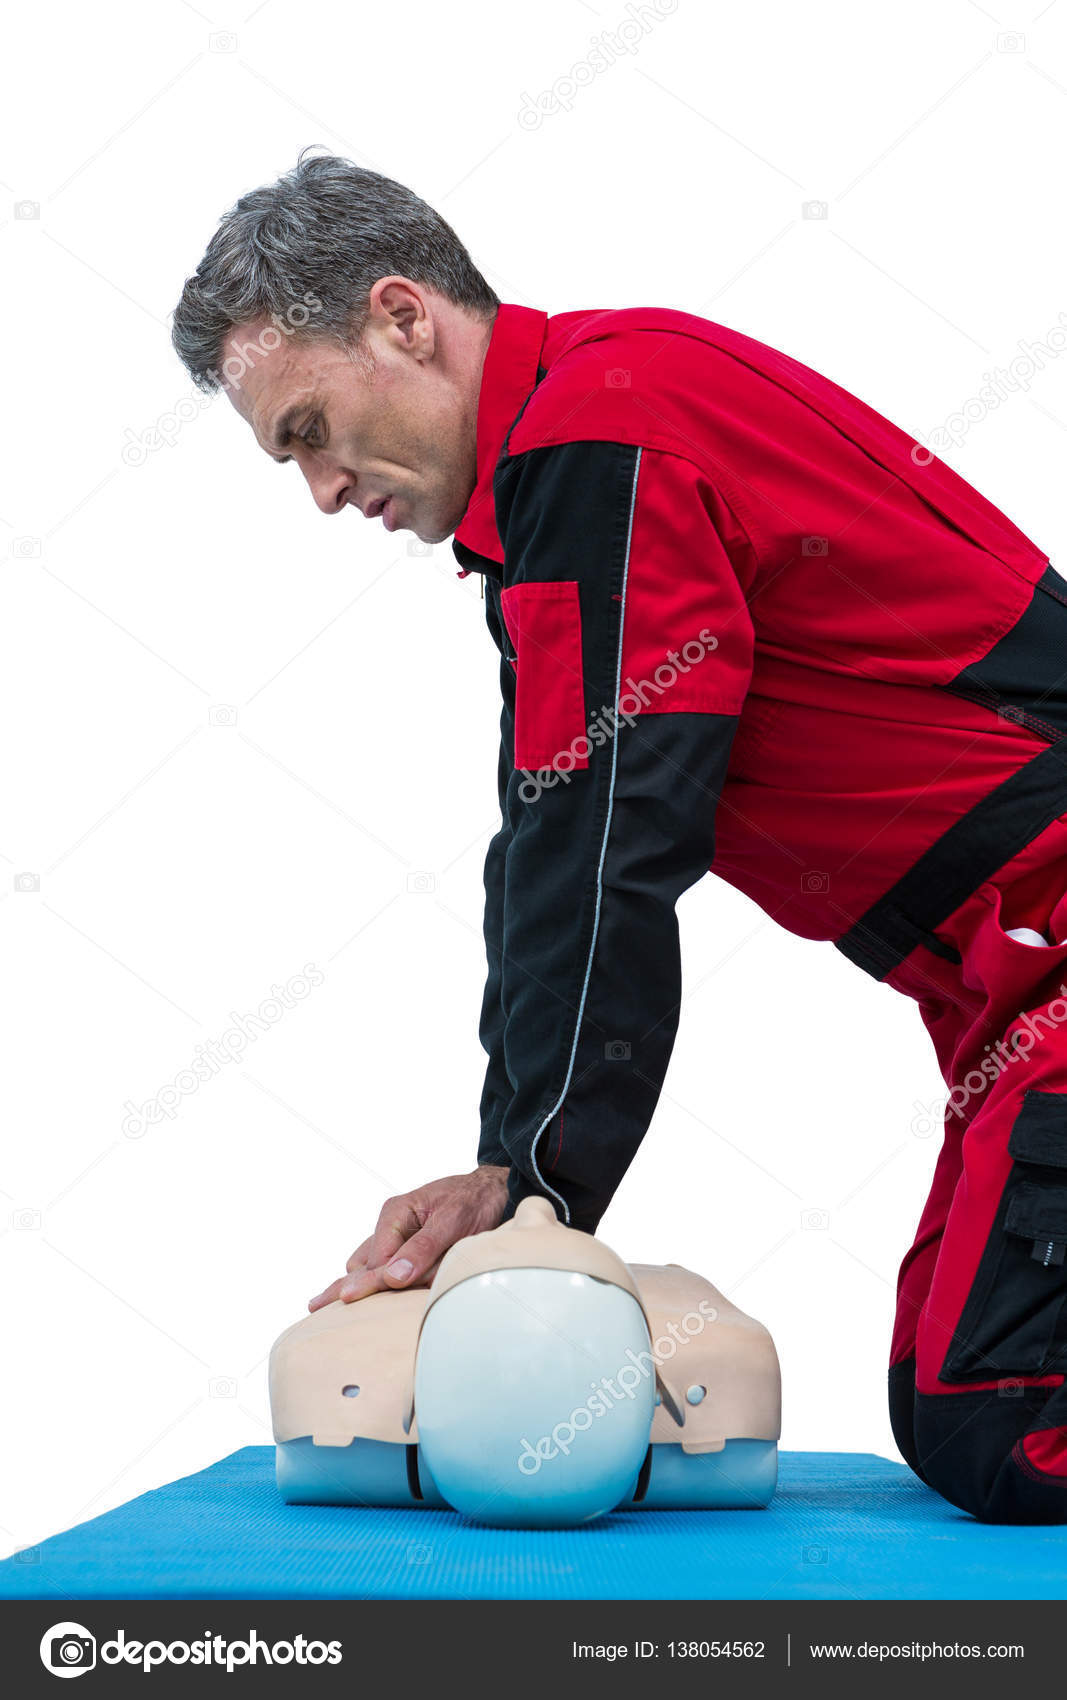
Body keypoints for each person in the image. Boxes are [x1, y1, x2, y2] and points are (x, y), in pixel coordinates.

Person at [173, 149, 1067, 1524]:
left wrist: (533, 1200)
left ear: (403, 319)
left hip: (1047, 950)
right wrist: (510, 1173)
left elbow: (609, 842)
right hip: (1010, 987)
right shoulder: (570, 456)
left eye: (306, 429)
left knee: (1000, 1417)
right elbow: (550, 843)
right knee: (944, 1387)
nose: (322, 492)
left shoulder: (604, 440)